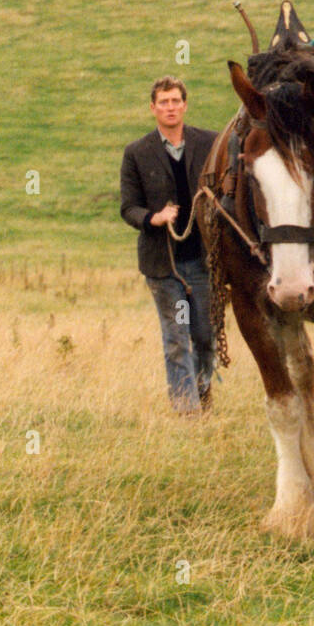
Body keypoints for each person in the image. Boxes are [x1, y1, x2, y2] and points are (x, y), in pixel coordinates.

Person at [120, 76, 218, 414]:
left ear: (185, 104)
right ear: (153, 108)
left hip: (204, 262)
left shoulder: (210, 143)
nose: (170, 107)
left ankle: (203, 395)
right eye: (163, 102)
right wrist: (153, 218)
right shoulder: (137, 152)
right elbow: (128, 207)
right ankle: (186, 411)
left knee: (205, 336)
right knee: (177, 337)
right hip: (164, 266)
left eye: (175, 100)